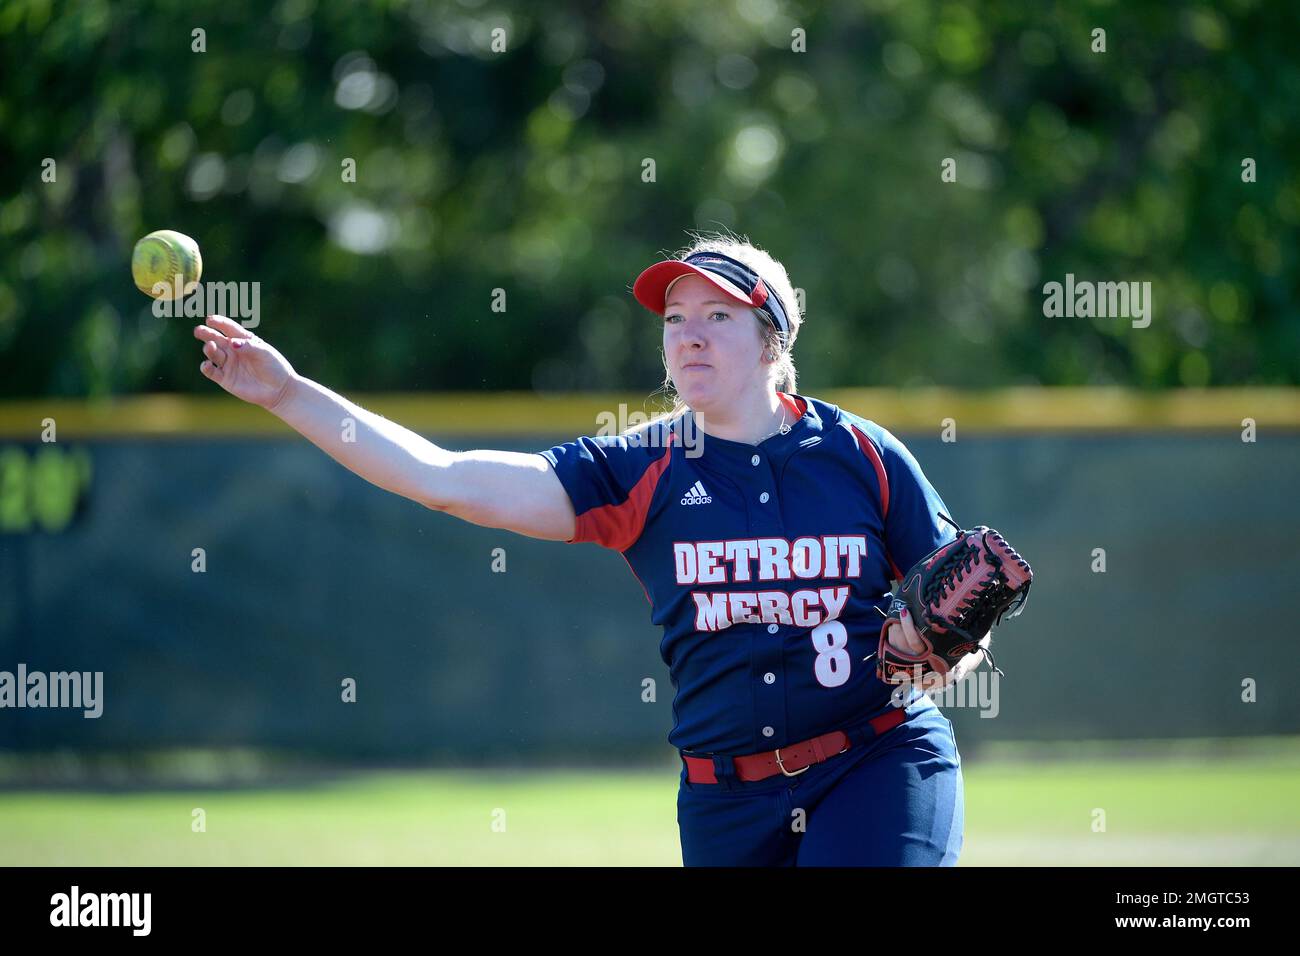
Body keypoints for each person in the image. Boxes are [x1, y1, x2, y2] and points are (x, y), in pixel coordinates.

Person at [192, 232, 989, 866]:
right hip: (725, 797)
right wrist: (289, 393)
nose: (688, 337)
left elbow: (963, 604)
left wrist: (950, 652)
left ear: (771, 338)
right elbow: (447, 479)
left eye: (718, 316)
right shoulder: (638, 464)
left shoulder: (862, 456)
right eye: (675, 319)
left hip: (874, 761)